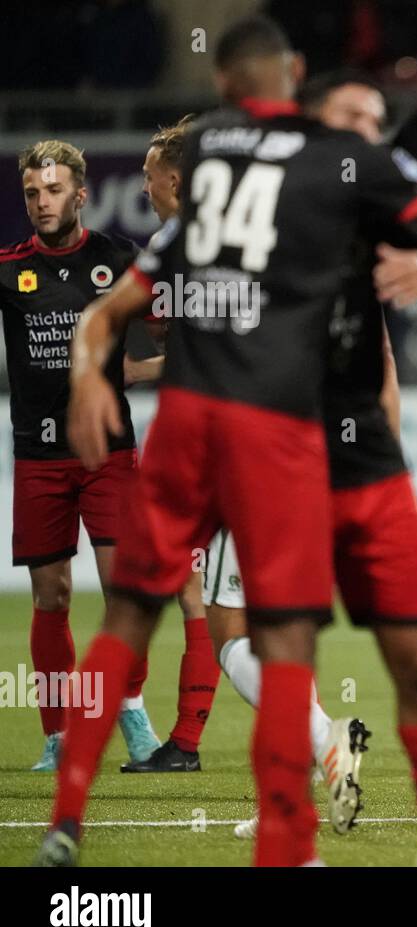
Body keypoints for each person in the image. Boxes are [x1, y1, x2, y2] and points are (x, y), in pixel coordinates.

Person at [36, 15, 417, 868]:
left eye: (167, 185)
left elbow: (361, 342)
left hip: (262, 448)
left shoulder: (230, 229)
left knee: (231, 625)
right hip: (259, 444)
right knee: (230, 617)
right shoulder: (272, 227)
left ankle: (312, 768)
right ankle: (299, 787)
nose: (163, 199)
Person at [0, 140, 161, 772]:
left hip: (109, 452)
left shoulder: (119, 260)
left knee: (125, 589)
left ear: (81, 194)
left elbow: (142, 349)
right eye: (33, 194)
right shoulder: (9, 268)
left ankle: (130, 707)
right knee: (51, 596)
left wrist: (185, 364)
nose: (43, 203)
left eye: (54, 191)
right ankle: (58, 732)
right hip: (37, 456)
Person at [117, 115, 221, 774]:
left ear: (174, 179)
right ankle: (181, 740)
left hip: (202, 433)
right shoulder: (234, 237)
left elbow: (175, 345)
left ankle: (177, 739)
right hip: (249, 426)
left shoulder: (173, 244)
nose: (144, 186)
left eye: (150, 175)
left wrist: (130, 370)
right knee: (212, 592)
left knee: (183, 588)